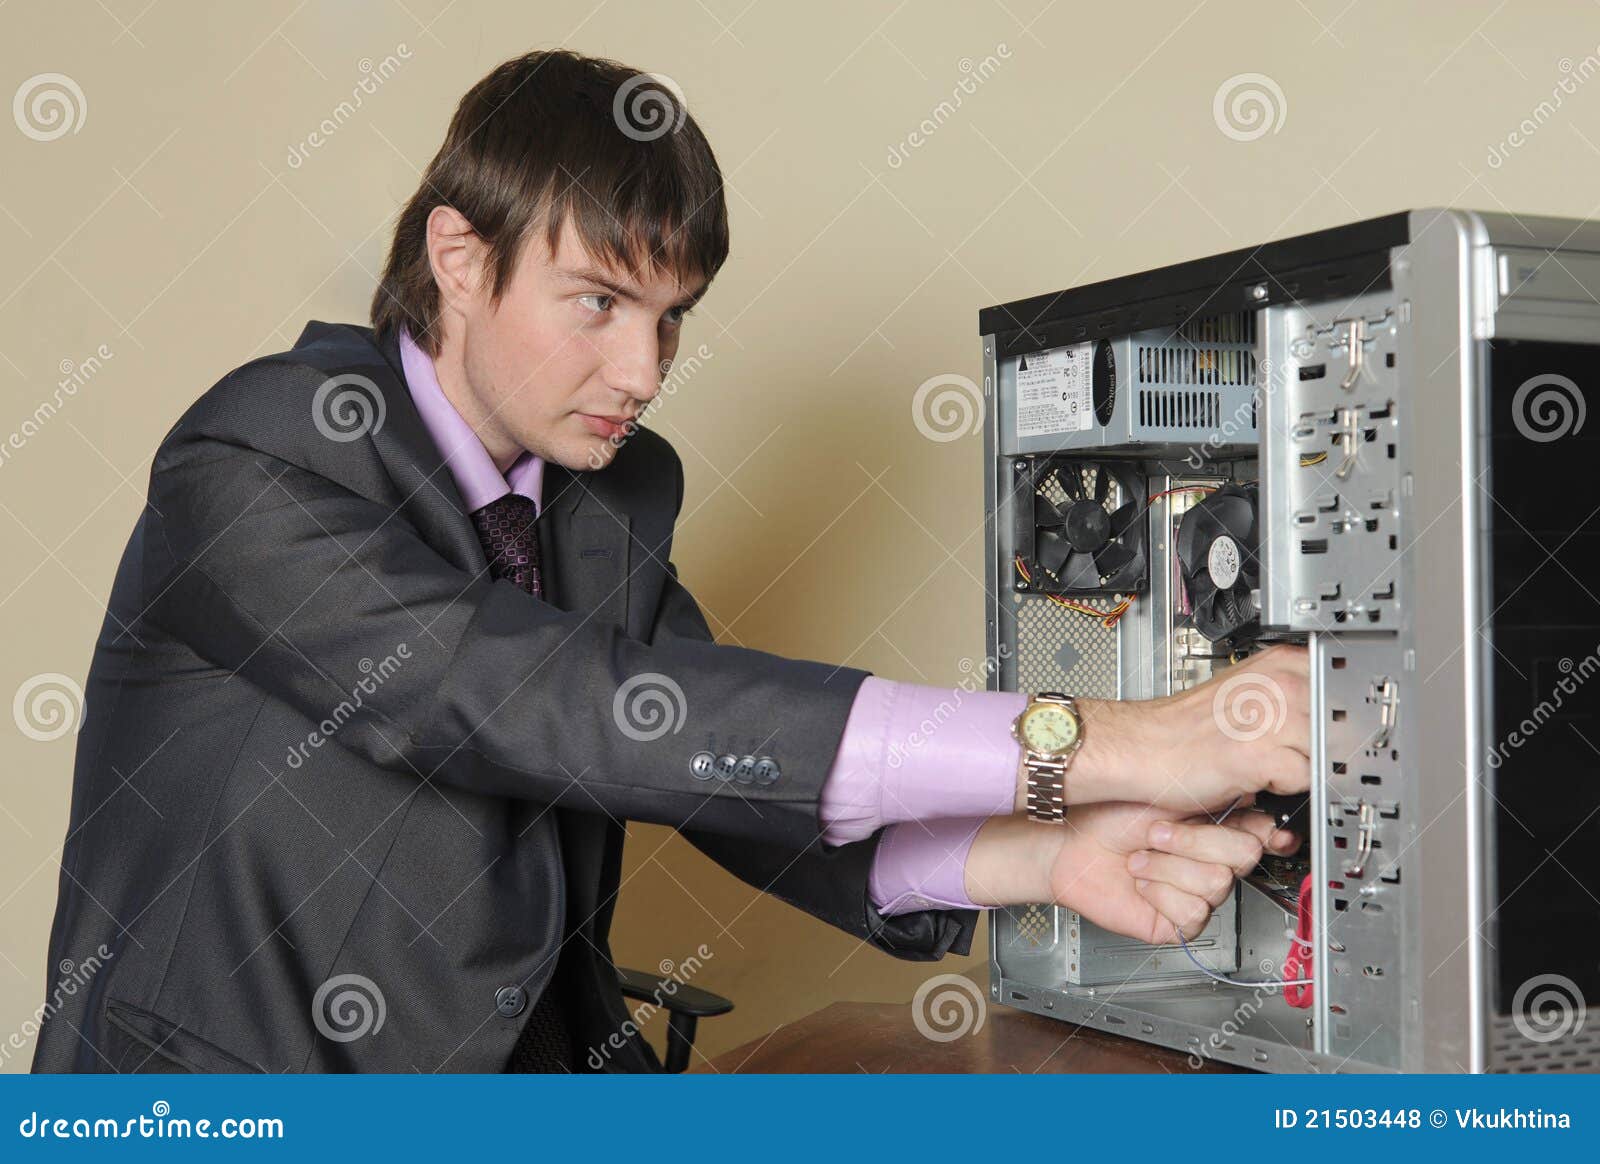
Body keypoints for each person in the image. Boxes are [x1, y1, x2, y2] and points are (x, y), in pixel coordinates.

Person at [31, 49, 1307, 1074]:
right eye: (597, 301)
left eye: (670, 318)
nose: (641, 375)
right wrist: (1123, 742)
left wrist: (1040, 856)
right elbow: (539, 704)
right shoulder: (255, 456)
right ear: (459, 259)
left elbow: (708, 759)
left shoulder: (604, 499)